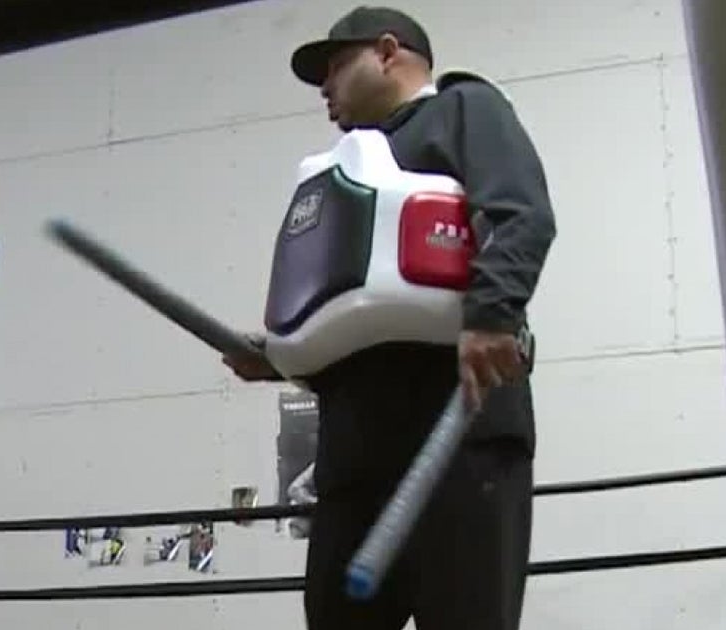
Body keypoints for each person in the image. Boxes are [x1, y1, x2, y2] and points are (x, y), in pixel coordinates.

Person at [224, 6, 556, 630]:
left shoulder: (463, 110)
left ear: (386, 52)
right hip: (356, 453)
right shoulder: (338, 175)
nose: (323, 88)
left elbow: (520, 214)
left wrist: (490, 314)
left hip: (458, 435)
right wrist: (281, 353)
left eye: (335, 67)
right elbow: (351, 308)